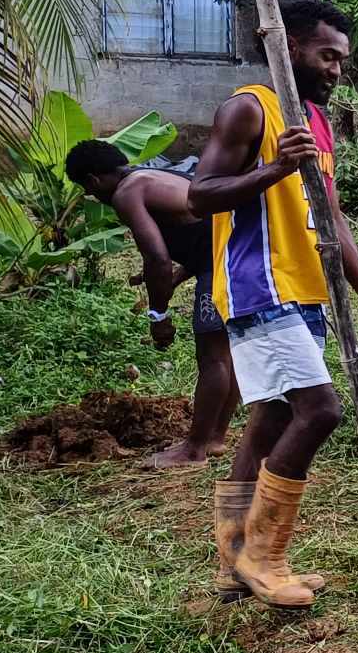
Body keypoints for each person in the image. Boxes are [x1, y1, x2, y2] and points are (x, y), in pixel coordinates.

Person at [188, 0, 358, 609]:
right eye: (326, 55)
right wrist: (274, 169)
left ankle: (233, 561)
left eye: (342, 60)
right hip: (259, 286)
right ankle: (263, 553)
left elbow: (329, 214)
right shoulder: (251, 108)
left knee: (272, 419)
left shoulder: (315, 122)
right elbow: (200, 196)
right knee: (320, 412)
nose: (336, 69)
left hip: (305, 289)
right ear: (291, 48)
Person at [65, 141, 238, 469]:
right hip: (230, 254)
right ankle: (214, 438)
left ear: (92, 181)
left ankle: (194, 450)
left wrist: (158, 314)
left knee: (213, 357)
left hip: (222, 263)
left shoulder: (126, 194)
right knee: (226, 353)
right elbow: (204, 231)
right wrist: (175, 278)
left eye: (87, 190)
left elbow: (156, 258)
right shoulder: (153, 174)